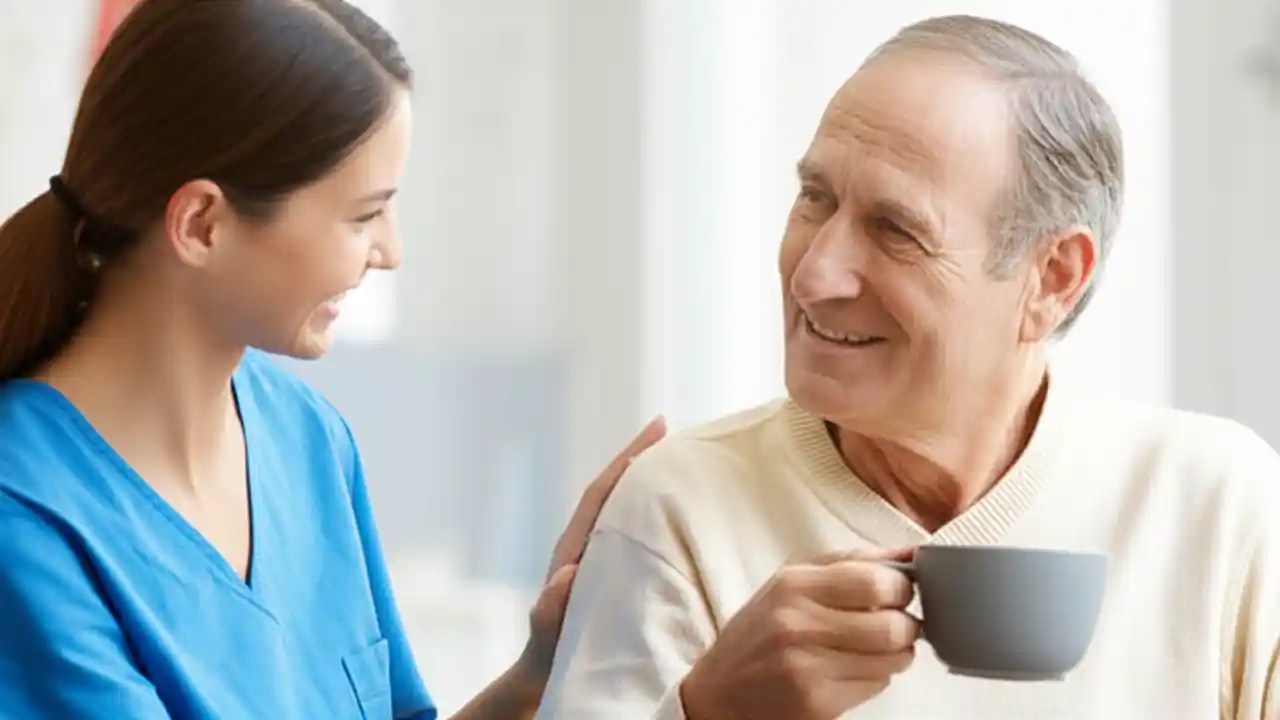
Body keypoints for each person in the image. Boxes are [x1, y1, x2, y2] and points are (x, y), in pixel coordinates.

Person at [536, 14, 1280, 720]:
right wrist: (709, 712)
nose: (814, 275)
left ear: (1053, 277)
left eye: (895, 230)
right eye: (813, 198)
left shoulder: (1218, 505)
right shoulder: (679, 508)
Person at [0, 1, 665, 718]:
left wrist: (541, 667)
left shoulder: (309, 439)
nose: (390, 252)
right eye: (363, 215)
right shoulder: (25, 515)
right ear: (203, 223)